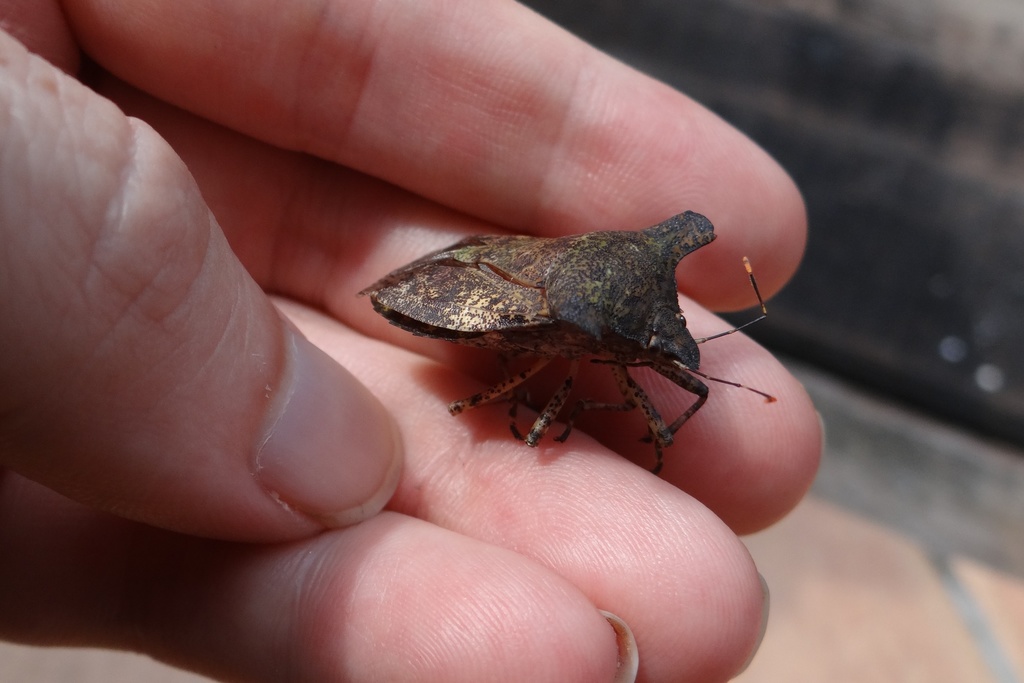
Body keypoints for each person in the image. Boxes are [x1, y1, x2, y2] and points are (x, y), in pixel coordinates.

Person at [0, 1, 821, 681]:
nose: (673, 362)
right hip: (476, 301)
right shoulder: (582, 341)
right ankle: (506, 399)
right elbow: (592, 366)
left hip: (508, 279)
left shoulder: (632, 332)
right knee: (550, 388)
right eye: (654, 355)